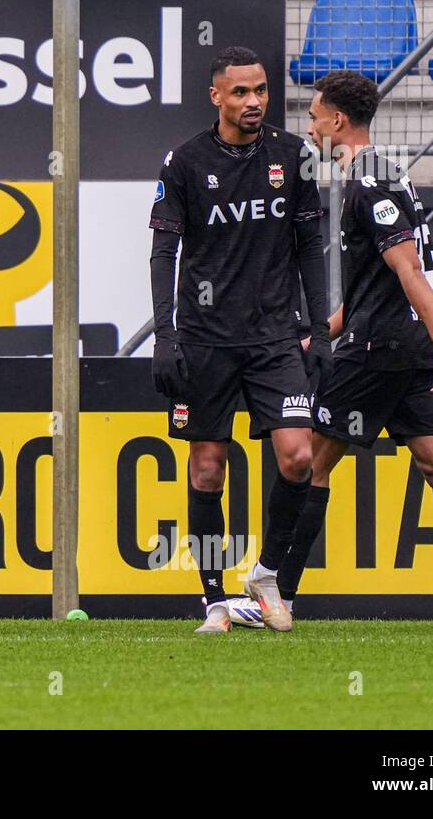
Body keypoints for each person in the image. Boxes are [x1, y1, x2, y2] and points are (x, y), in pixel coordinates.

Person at [278, 69, 433, 632]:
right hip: (398, 341)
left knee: (310, 464)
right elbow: (380, 281)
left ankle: (277, 597)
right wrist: (322, 331)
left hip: (382, 348)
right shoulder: (382, 175)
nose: (311, 125)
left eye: (315, 115)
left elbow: (409, 269)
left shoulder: (370, 180)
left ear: (337, 120)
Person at [149, 46, 330, 633]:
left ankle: (266, 574)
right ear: (216, 96)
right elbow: (164, 251)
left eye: (260, 91)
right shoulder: (184, 161)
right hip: (205, 341)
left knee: (299, 458)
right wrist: (165, 334)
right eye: (240, 93)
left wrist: (321, 327)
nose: (253, 102)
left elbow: (310, 247)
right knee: (207, 470)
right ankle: (213, 603)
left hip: (277, 336)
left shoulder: (292, 155)